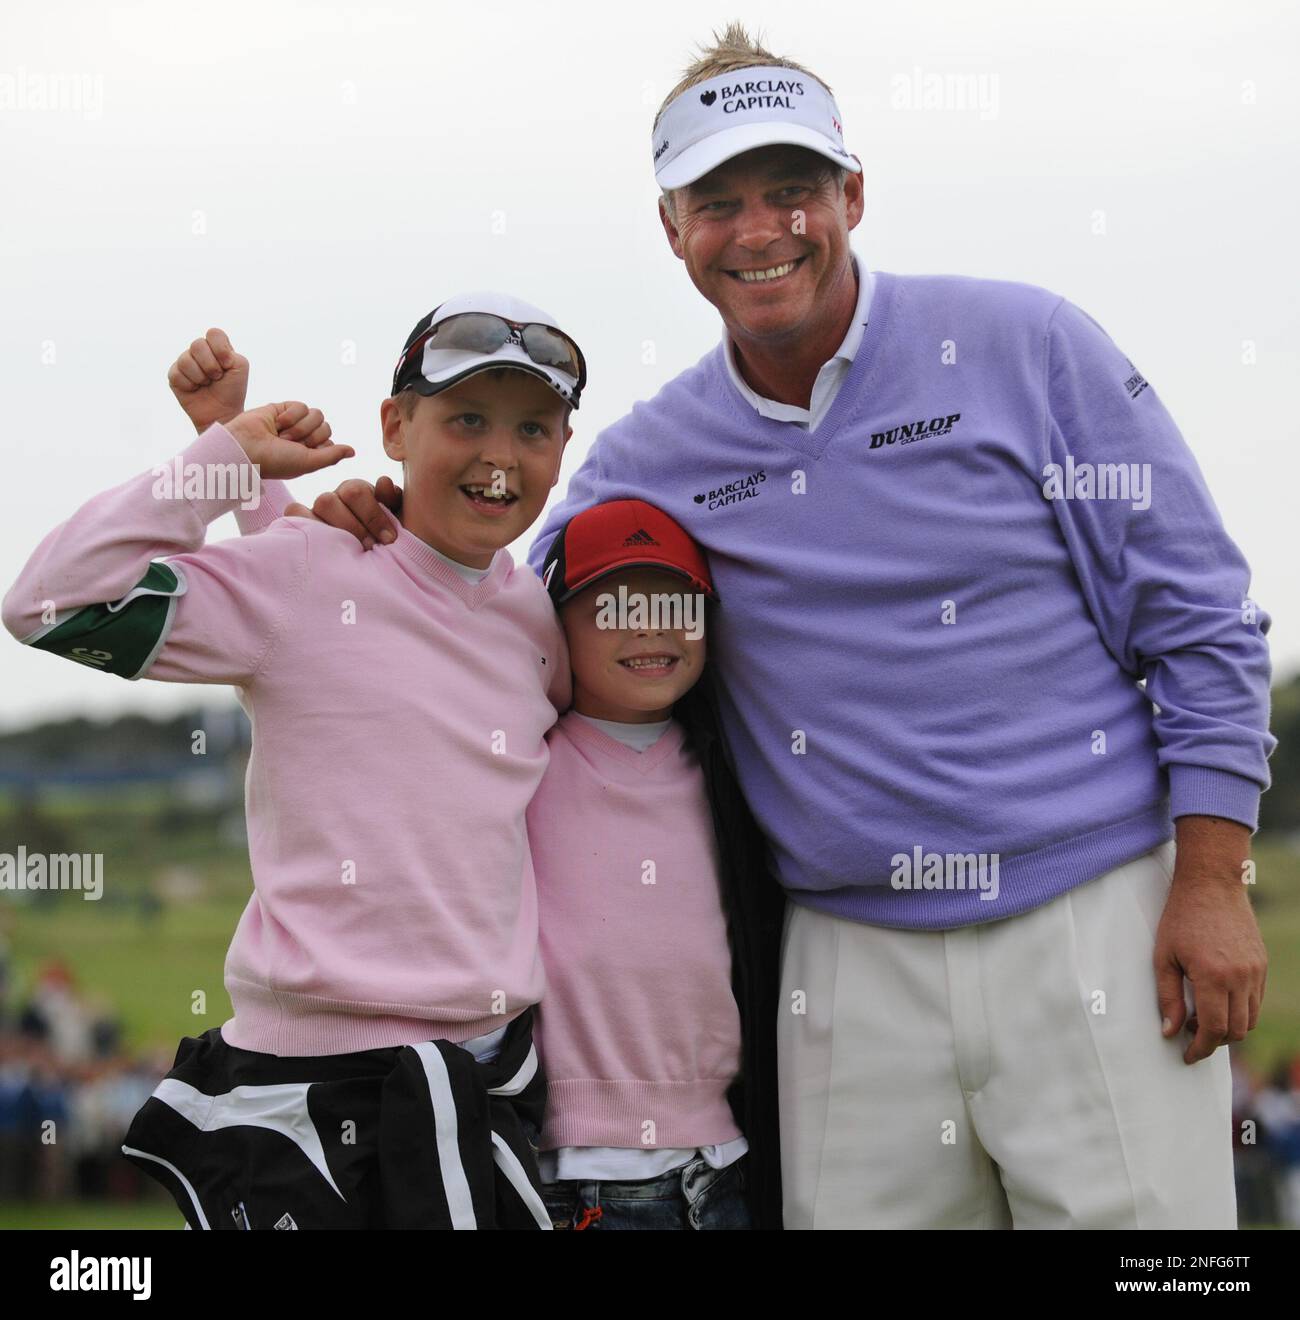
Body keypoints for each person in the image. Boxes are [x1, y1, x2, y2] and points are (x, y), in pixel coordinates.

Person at [311, 24, 1274, 1228]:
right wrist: (384, 531)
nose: (761, 230)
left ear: (851, 195)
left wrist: (1212, 880)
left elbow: (1198, 621)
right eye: (718, 202)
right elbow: (498, 603)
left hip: (1089, 917)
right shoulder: (652, 454)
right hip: (839, 955)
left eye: (792, 191)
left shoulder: (1029, 347)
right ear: (672, 229)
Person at [2, 292, 585, 1228]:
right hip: (305, 1104)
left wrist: (256, 496)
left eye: (534, 428)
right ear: (394, 426)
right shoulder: (311, 568)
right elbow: (50, 605)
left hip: (483, 1087)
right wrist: (222, 457)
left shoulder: (534, 619)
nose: (500, 457)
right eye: (465, 419)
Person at [527, 499, 784, 1229]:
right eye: (611, 606)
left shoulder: (735, 769)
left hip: (721, 1163)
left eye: (674, 603)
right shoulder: (522, 761)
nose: (648, 626)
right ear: (553, 624)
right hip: (577, 1176)